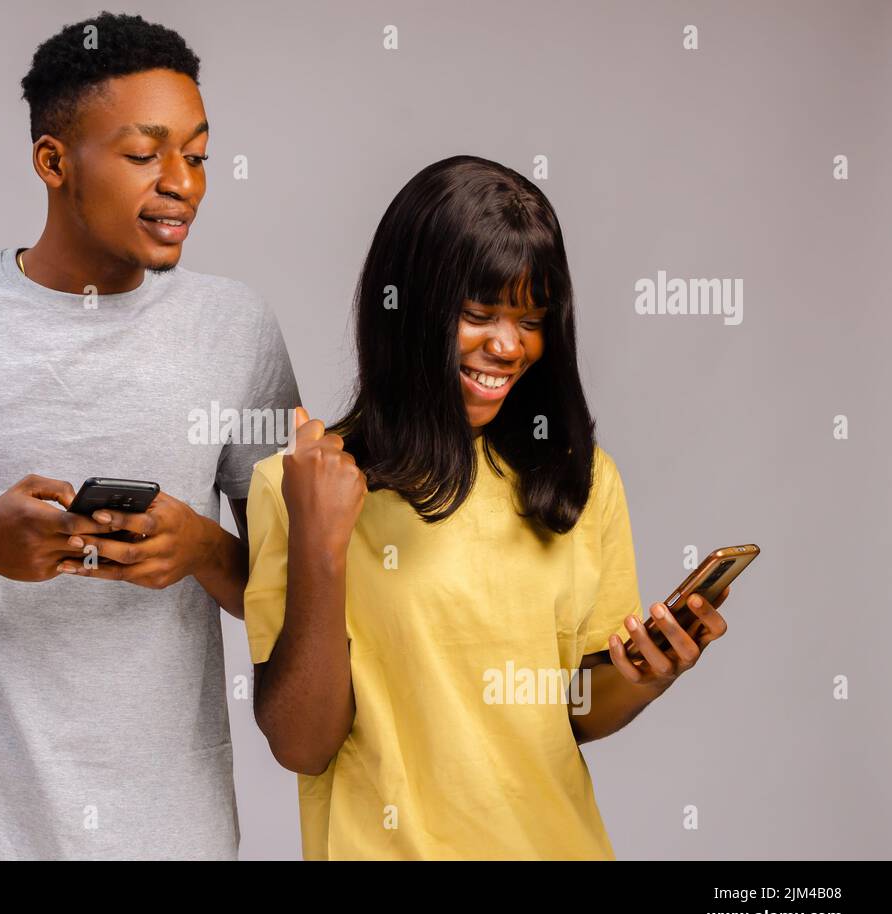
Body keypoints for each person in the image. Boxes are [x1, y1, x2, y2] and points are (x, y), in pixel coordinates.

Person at [0, 12, 299, 860]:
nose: (182, 183)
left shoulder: (237, 328)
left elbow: (298, 592)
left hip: (176, 832)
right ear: (52, 160)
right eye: (145, 154)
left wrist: (200, 548)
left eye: (198, 155)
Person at [242, 155, 732, 860]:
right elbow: (301, 743)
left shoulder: (581, 479)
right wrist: (322, 545)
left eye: (530, 319)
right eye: (478, 315)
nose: (508, 346)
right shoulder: (299, 485)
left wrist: (650, 676)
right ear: (406, 309)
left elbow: (572, 715)